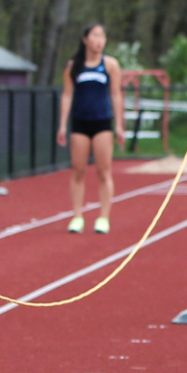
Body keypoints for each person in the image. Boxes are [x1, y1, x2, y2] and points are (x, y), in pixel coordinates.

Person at [57, 23, 125, 234]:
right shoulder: (74, 66)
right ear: (85, 39)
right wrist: (62, 124)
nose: (99, 41)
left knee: (103, 171)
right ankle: (77, 216)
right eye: (95, 36)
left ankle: (103, 217)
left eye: (103, 36)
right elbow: (67, 95)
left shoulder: (110, 65)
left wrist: (120, 125)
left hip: (102, 122)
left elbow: (115, 94)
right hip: (80, 122)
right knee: (78, 170)